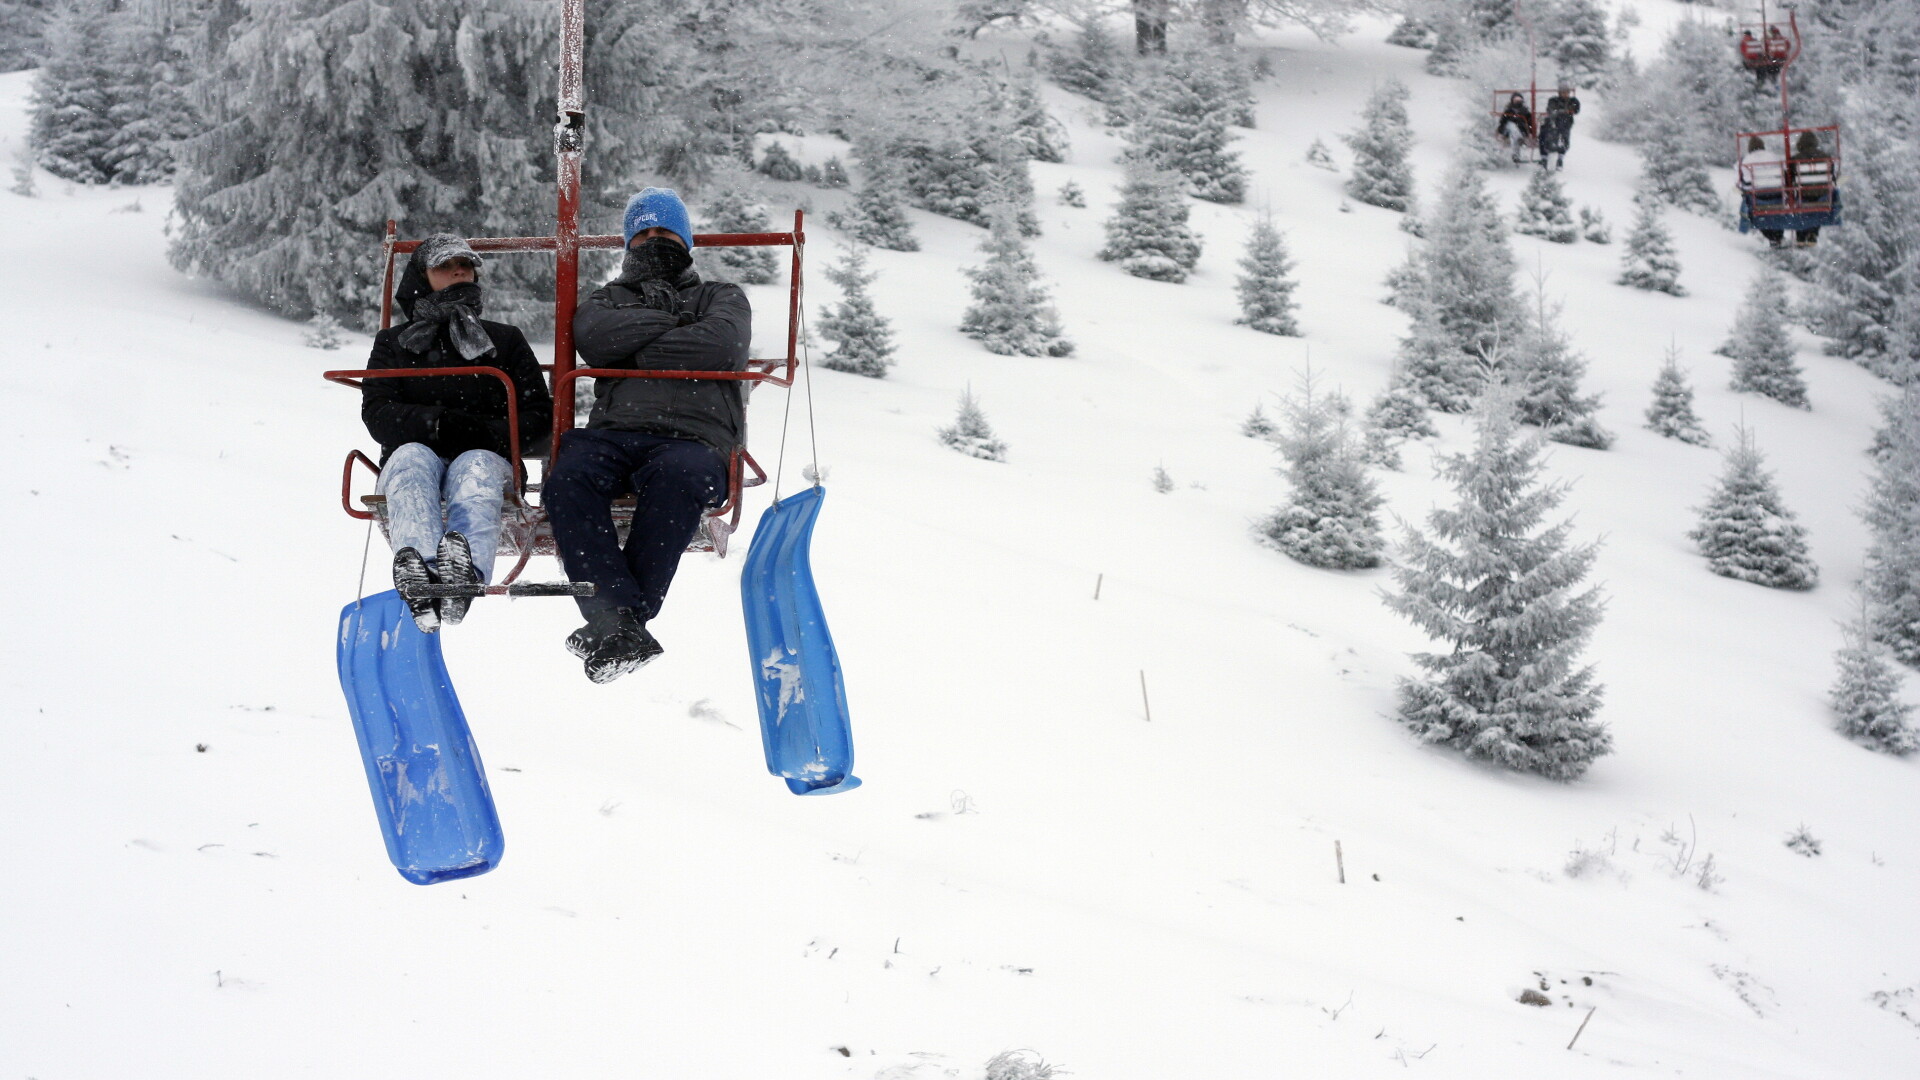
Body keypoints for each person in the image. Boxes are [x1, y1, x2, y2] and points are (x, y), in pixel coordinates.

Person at [545, 187, 753, 683]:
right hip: (615, 432)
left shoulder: (721, 296)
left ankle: (614, 617)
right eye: (642, 233)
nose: (653, 239)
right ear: (627, 243)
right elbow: (596, 339)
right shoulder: (608, 299)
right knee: (568, 476)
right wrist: (677, 324)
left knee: (679, 477)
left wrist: (634, 349)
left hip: (695, 437)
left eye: (664, 231)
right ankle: (623, 622)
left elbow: (720, 345)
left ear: (685, 240)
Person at [361, 234, 554, 633]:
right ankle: (423, 571)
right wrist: (438, 423)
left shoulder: (504, 340)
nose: (458, 272)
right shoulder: (394, 343)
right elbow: (378, 413)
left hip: (489, 454)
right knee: (411, 458)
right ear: (422, 277)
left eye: (464, 265)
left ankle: (465, 575)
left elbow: (538, 415)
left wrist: (482, 434)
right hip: (417, 452)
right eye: (445, 266)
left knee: (475, 466)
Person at [1738, 135, 1787, 248]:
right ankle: (1777, 237)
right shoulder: (1773, 157)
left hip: (1758, 197)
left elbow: (1746, 182)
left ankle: (1773, 238)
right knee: (1774, 215)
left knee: (1752, 210)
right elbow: (1783, 175)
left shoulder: (1747, 160)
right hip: (1777, 195)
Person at [1788, 129, 1832, 246]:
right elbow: (1831, 174)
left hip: (1804, 193)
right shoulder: (1825, 157)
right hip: (1822, 193)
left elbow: (1790, 176)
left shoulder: (1795, 159)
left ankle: (1800, 236)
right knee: (1818, 208)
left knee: (1801, 208)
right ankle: (1813, 233)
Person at [1538, 85, 1580, 170]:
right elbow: (1551, 109)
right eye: (1563, 92)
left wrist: (1564, 111)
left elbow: (1576, 109)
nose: (1565, 94)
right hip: (1552, 122)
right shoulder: (1554, 100)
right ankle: (1544, 158)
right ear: (1559, 93)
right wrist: (1562, 112)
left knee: (1564, 138)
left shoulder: (1572, 101)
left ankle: (1560, 159)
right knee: (1543, 135)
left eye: (1566, 92)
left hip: (1565, 123)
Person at [1495, 93, 1534, 163]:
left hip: (1521, 130)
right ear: (1512, 101)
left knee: (1514, 137)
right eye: (1516, 100)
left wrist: (1530, 133)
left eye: (1519, 100)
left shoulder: (1525, 111)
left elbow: (1530, 123)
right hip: (1508, 130)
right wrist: (1500, 132)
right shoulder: (1508, 110)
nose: (1518, 102)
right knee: (1512, 125)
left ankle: (1516, 155)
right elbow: (1502, 122)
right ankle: (1516, 146)